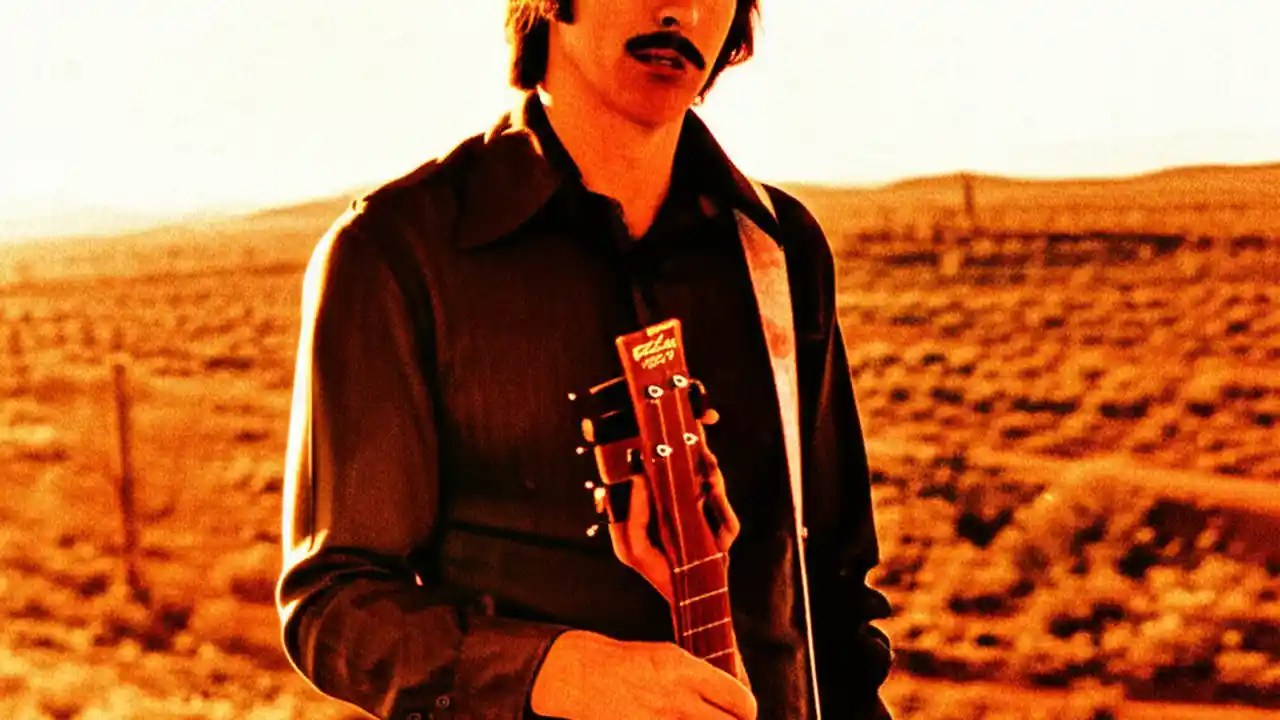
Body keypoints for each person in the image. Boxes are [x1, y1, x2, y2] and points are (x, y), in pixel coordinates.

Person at [276, 1, 894, 718]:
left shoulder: (777, 248)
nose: (682, 11)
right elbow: (334, 607)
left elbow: (834, 595)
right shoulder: (396, 254)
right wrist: (553, 671)